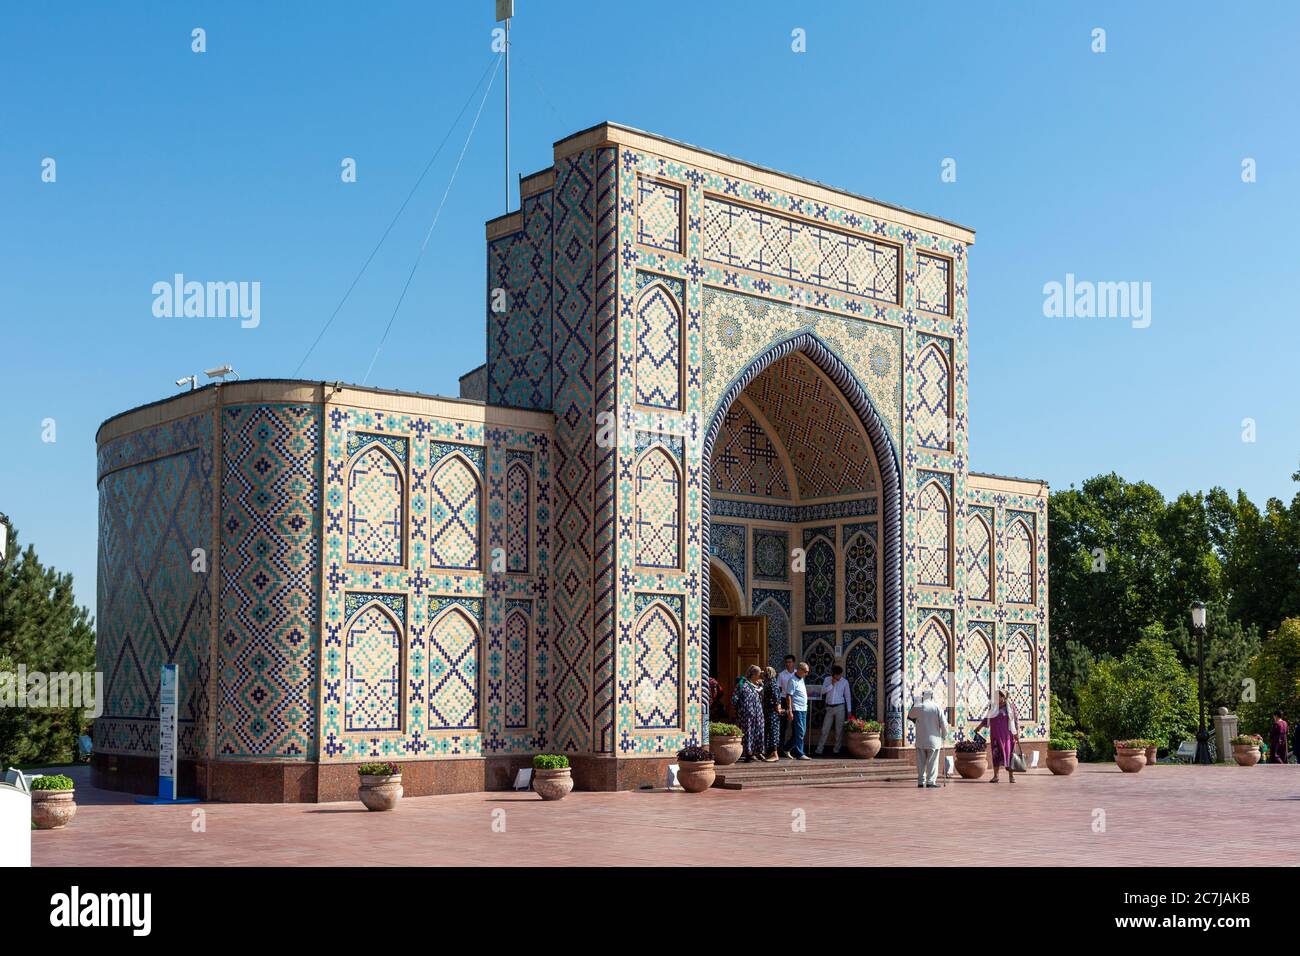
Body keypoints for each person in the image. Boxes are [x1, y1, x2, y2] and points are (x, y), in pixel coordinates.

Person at [972, 688, 1020, 783]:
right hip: (995, 736)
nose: (996, 698)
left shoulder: (1010, 707)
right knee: (996, 755)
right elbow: (987, 719)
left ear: (1003, 697)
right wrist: (979, 727)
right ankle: (996, 776)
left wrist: (1017, 733)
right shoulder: (993, 707)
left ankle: (1011, 776)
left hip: (1007, 737)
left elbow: (1016, 720)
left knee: (1010, 755)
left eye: (998, 696)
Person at [907, 689, 948, 788]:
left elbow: (910, 715)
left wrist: (915, 703)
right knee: (932, 762)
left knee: (920, 762)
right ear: (931, 696)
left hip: (921, 739)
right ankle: (930, 781)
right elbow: (944, 724)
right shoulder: (936, 707)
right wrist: (944, 735)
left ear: (923, 696)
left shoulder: (918, 706)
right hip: (934, 740)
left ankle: (921, 781)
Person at [732, 666, 767, 762]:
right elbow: (735, 698)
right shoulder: (742, 684)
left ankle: (757, 752)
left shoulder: (758, 686)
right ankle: (749, 753)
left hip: (758, 714)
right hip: (746, 715)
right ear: (754, 674)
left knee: (758, 731)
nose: (761, 676)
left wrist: (761, 686)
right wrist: (740, 710)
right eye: (759, 674)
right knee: (748, 732)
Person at [817, 664, 853, 756]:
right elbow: (822, 691)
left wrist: (849, 710)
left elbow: (847, 696)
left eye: (840, 675)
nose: (839, 677)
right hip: (829, 707)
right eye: (837, 675)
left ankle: (836, 750)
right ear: (833, 674)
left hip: (840, 707)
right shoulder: (827, 680)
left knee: (839, 730)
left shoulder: (844, 682)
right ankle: (819, 750)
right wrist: (831, 685)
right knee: (825, 729)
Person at [785, 662, 812, 760]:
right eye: (805, 671)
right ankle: (799, 753)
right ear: (800, 670)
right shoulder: (792, 680)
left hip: (803, 709)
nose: (806, 674)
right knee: (800, 732)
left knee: (801, 732)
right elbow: (789, 696)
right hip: (796, 709)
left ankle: (786, 748)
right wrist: (790, 710)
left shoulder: (801, 679)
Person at [776, 654, 797, 758]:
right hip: (784, 700)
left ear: (793, 663)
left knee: (795, 726)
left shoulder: (797, 674)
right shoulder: (781, 675)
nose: (788, 664)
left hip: (795, 701)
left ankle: (792, 749)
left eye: (790, 662)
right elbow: (778, 690)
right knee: (782, 726)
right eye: (787, 662)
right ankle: (780, 749)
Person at [761, 665, 784, 762]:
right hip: (768, 711)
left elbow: (776, 699)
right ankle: (770, 753)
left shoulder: (772, 685)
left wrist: (778, 709)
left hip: (772, 713)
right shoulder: (768, 683)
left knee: (773, 732)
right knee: (769, 732)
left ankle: (775, 754)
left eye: (766, 673)